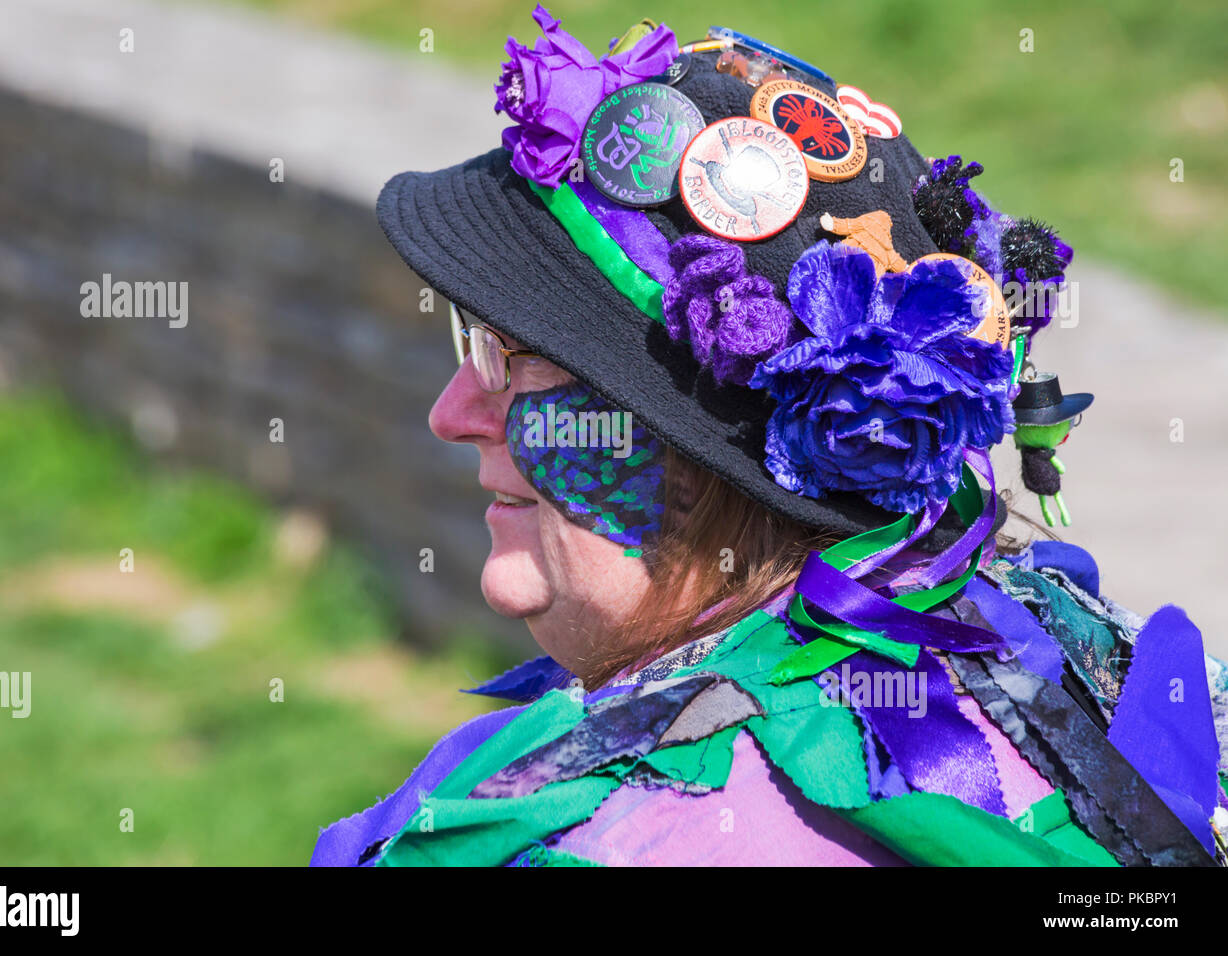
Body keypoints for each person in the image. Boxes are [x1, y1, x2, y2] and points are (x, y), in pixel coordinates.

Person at [311, 8, 1228, 866]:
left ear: (687, 444)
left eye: (508, 354)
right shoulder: (1072, 663)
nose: (450, 413)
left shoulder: (625, 840)